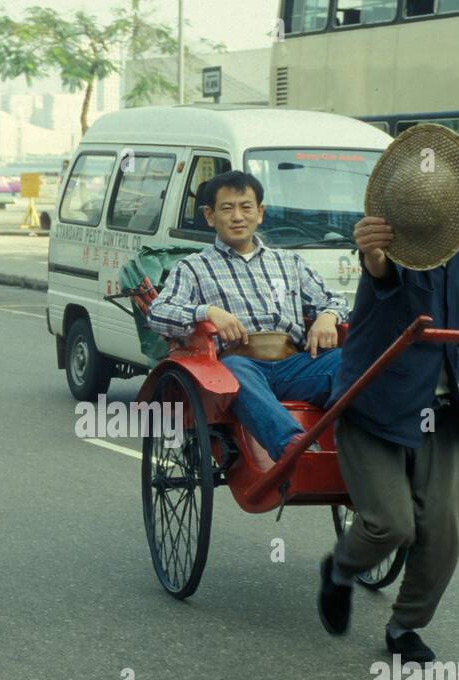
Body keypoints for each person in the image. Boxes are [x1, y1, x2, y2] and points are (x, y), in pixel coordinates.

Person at [317, 124, 459, 665]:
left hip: (439, 412)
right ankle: (340, 568)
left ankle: (404, 627)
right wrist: (374, 258)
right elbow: (382, 280)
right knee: (392, 524)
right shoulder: (383, 250)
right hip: (374, 407)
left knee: (444, 530)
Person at [148, 170, 347, 465]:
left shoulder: (288, 262)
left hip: (294, 363)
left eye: (246, 207)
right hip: (240, 363)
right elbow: (158, 312)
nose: (237, 216)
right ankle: (294, 446)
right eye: (227, 208)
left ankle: (356, 444)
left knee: (353, 360)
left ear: (260, 213)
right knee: (234, 371)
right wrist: (207, 312)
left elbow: (335, 299)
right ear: (210, 216)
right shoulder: (193, 267)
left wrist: (328, 316)